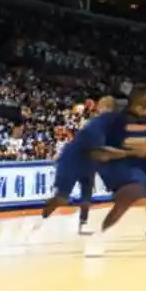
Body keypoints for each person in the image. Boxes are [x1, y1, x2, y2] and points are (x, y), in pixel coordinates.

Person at [81, 86, 146, 257]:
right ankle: (96, 235)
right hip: (112, 162)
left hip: (131, 162)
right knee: (127, 197)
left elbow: (144, 148)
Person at [34, 96, 115, 235]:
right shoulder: (90, 124)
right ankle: (42, 219)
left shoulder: (100, 124)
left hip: (88, 162)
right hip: (72, 160)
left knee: (87, 196)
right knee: (62, 197)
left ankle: (83, 224)